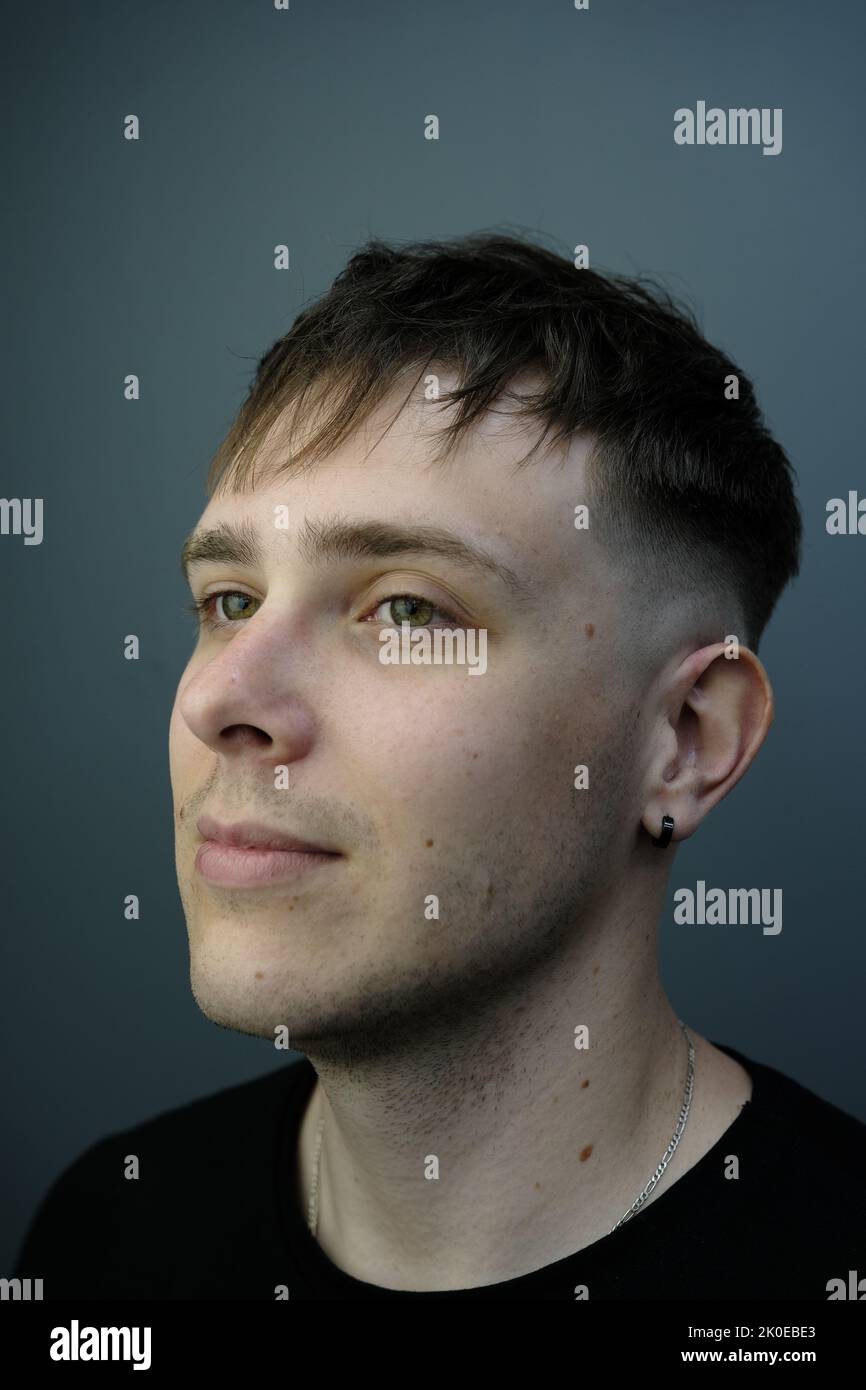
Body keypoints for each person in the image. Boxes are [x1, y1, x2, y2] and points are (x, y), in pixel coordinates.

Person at [15, 234, 866, 1300]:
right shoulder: (107, 1241)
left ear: (686, 741)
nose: (215, 698)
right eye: (228, 601)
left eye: (406, 609)